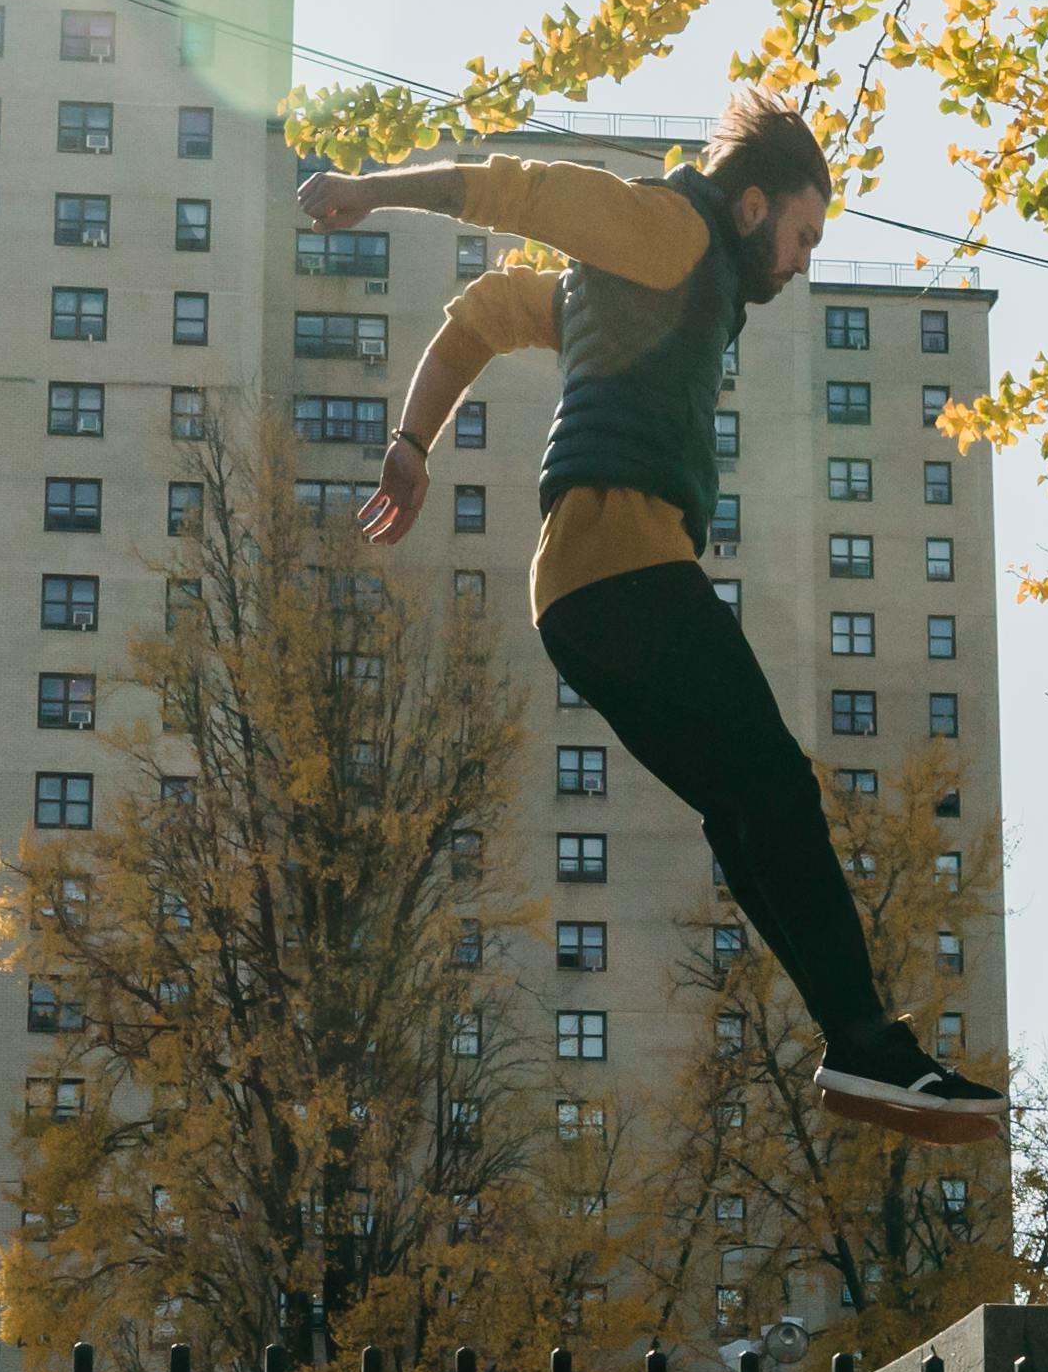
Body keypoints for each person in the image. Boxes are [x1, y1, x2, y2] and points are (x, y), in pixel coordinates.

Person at [296, 90, 1003, 1146]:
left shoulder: (627, 288)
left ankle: (860, 1051)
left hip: (583, 594)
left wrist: (413, 439)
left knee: (745, 803)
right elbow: (514, 189)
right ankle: (864, 1042)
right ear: (755, 205)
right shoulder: (668, 231)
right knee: (772, 785)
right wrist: (368, 190)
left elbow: (486, 312)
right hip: (623, 570)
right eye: (805, 236)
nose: (805, 262)